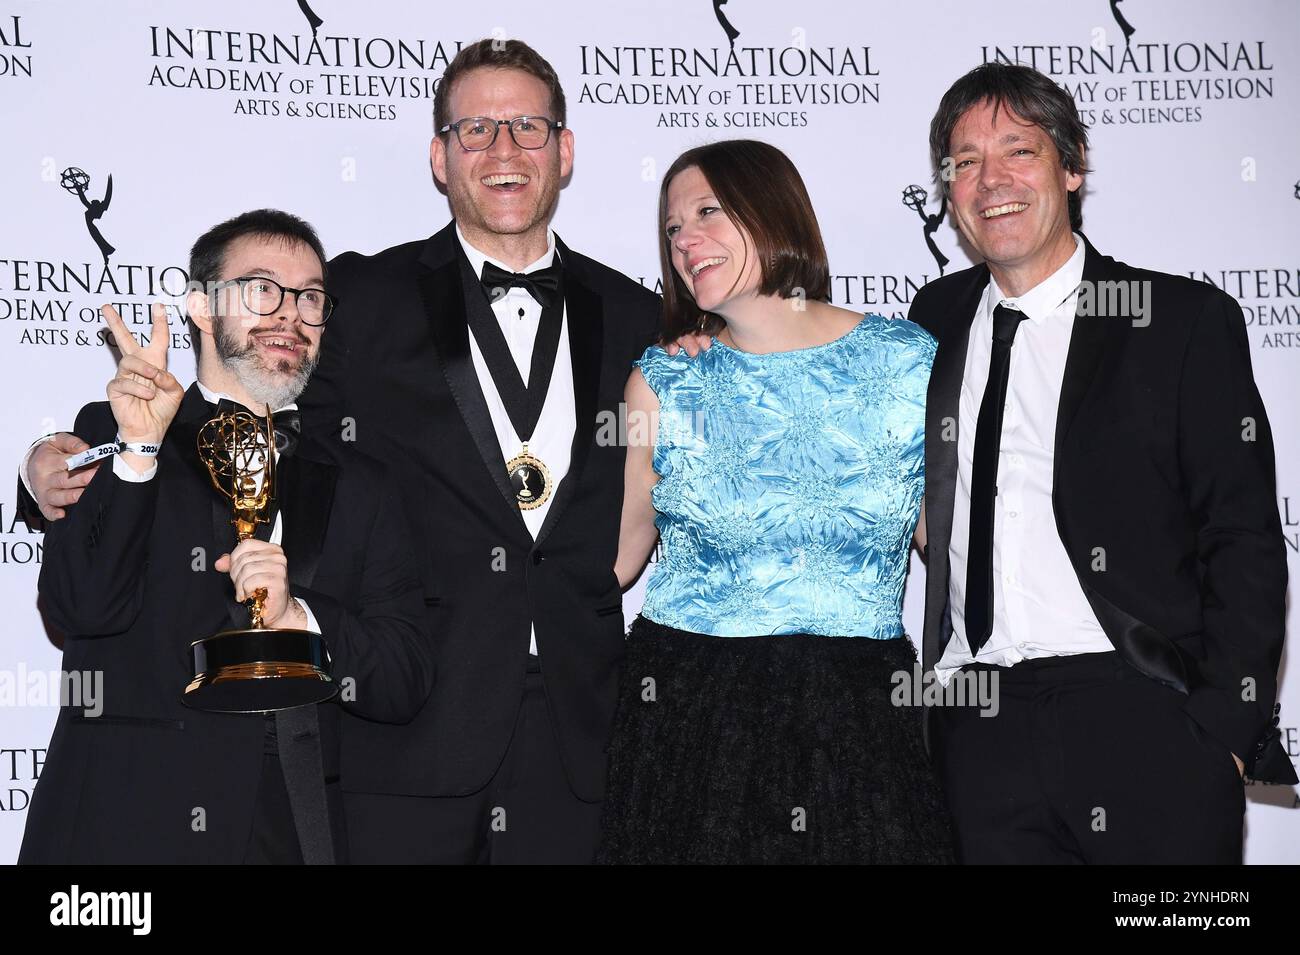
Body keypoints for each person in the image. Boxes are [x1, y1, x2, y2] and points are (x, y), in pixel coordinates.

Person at [19, 38, 661, 865]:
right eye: (475, 129)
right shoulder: (361, 294)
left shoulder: (640, 316)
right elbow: (243, 410)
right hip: (409, 740)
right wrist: (55, 457)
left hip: (578, 726)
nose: (503, 149)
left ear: (565, 149)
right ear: (439, 155)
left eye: (528, 126)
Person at [910, 62, 1295, 863]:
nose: (991, 181)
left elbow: (1246, 537)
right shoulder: (933, 320)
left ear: (1073, 164)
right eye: (966, 162)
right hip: (979, 732)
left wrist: (1221, 731)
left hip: (1143, 719)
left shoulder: (1179, 322)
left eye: (1019, 150)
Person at [20, 209, 433, 864]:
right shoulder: (114, 431)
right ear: (201, 307)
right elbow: (81, 609)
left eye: (311, 298)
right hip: (124, 827)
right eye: (261, 289)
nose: (290, 314)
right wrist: (136, 452)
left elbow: (404, 676)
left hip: (290, 829)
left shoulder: (362, 482)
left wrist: (302, 616)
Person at [598, 139, 953, 864]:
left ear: (772, 209)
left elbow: (954, 548)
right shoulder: (661, 383)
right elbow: (614, 557)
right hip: (691, 713)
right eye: (671, 229)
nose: (685, 241)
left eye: (707, 212)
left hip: (859, 711)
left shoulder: (910, 362)